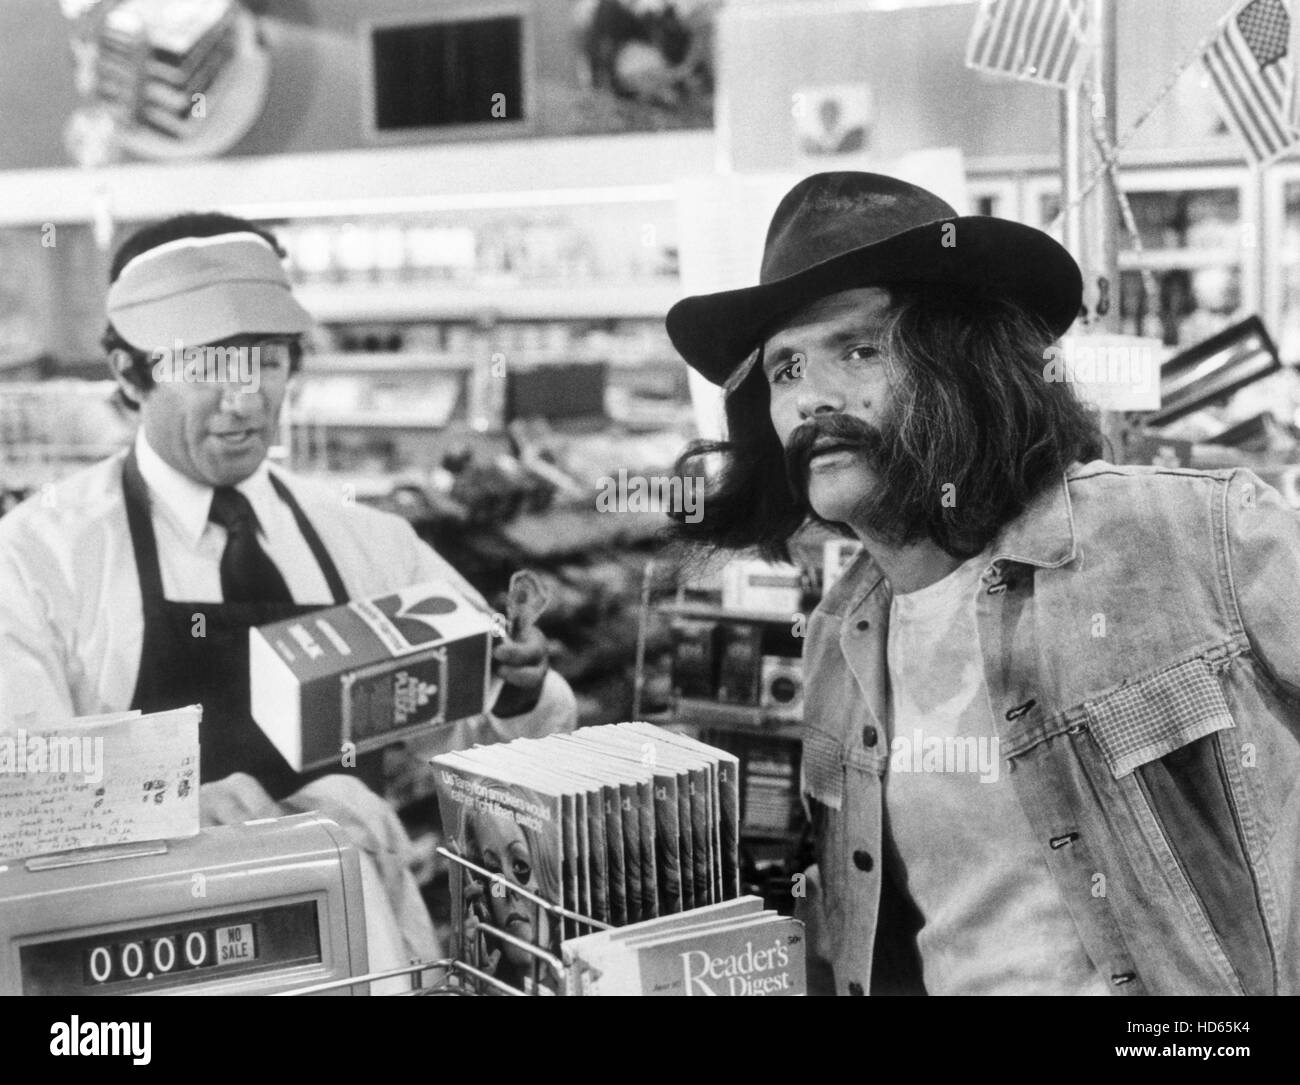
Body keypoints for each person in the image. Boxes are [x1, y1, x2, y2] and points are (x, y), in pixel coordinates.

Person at [665, 171, 1300, 996]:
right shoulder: (837, 639)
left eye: (860, 349)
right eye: (785, 370)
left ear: (962, 364)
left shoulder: (1193, 537)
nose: (813, 398)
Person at [0, 213, 577, 974]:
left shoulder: (366, 542)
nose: (246, 403)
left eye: (265, 363)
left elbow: (508, 759)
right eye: (205, 366)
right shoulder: (41, 555)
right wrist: (167, 806)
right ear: (128, 373)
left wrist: (514, 693)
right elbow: (17, 778)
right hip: (138, 969)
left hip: (354, 953)